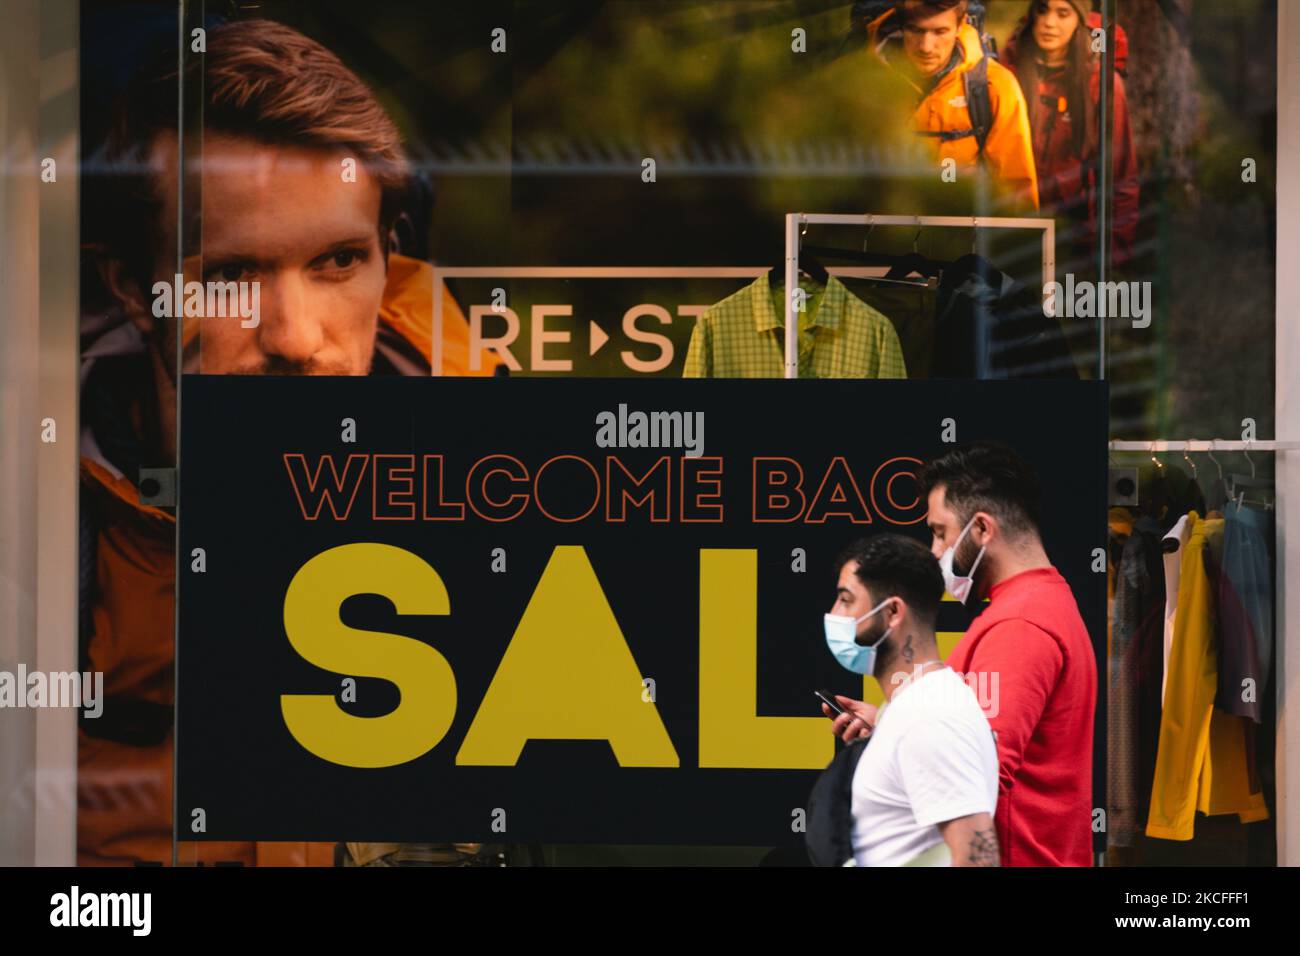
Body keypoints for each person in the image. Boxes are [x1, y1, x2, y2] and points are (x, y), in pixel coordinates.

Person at [80, 17, 499, 866]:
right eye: (229, 275)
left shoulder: (499, 487)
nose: (296, 338)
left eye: (338, 261)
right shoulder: (41, 530)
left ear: (387, 257)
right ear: (131, 285)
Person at [824, 442, 1096, 866]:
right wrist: (891, 728)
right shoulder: (1034, 605)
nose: (935, 551)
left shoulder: (1018, 625)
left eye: (940, 532)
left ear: (982, 528)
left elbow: (973, 774)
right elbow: (964, 747)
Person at [823, 534, 999, 866]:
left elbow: (979, 858)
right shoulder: (914, 709)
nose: (834, 614)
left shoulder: (931, 716)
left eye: (846, 600)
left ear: (892, 612)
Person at [863, 0, 1040, 210]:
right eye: (916, 30)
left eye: (940, 32)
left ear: (960, 25)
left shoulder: (995, 85)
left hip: (964, 226)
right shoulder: (862, 84)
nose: (926, 47)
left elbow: (1017, 191)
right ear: (901, 26)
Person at [1003, 0, 1139, 265]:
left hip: (1077, 243)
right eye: (1042, 10)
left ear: (1080, 20)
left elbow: (1121, 179)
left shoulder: (1102, 84)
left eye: (1063, 13)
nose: (1049, 23)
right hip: (1013, 236)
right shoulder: (1007, 73)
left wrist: (1114, 260)